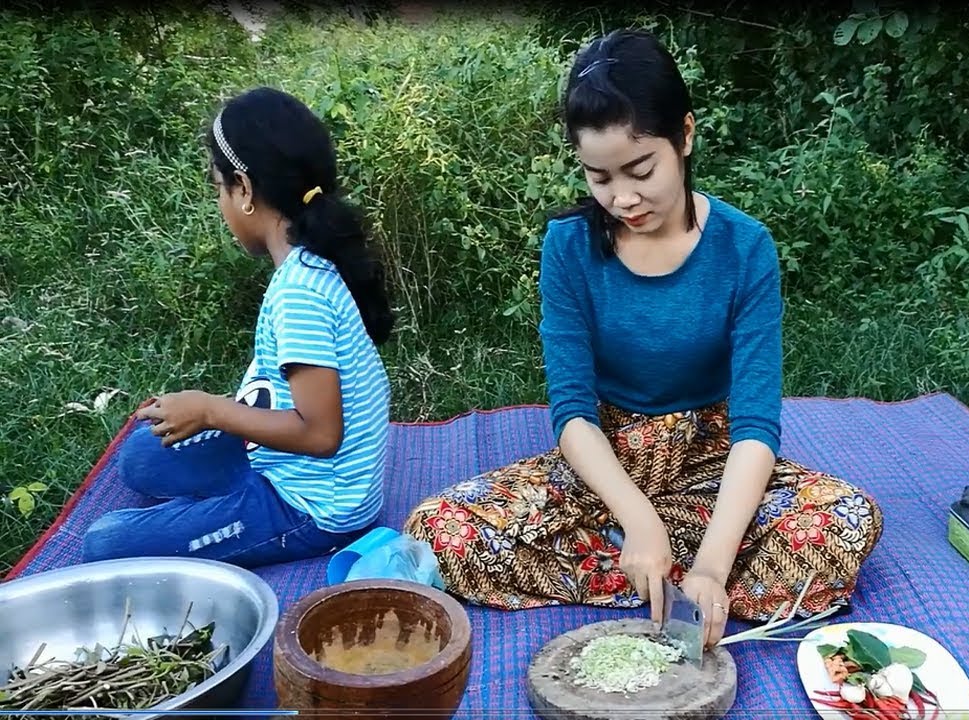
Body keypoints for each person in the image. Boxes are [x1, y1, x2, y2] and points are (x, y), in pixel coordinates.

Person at [404, 29, 883, 647]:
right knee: (439, 531)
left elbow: (756, 427)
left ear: (685, 135)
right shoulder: (569, 248)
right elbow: (572, 412)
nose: (623, 198)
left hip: (709, 458)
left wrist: (712, 564)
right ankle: (660, 563)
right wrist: (638, 518)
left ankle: (679, 573)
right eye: (599, 177)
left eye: (641, 169)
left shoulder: (744, 247)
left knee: (846, 521)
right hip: (604, 459)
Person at [81, 87, 394, 569]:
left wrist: (210, 410)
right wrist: (205, 412)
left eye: (219, 188)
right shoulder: (308, 264)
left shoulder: (300, 293)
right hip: (281, 460)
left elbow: (321, 435)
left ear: (244, 189)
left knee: (104, 543)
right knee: (142, 454)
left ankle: (224, 514)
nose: (220, 203)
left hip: (314, 507)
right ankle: (213, 503)